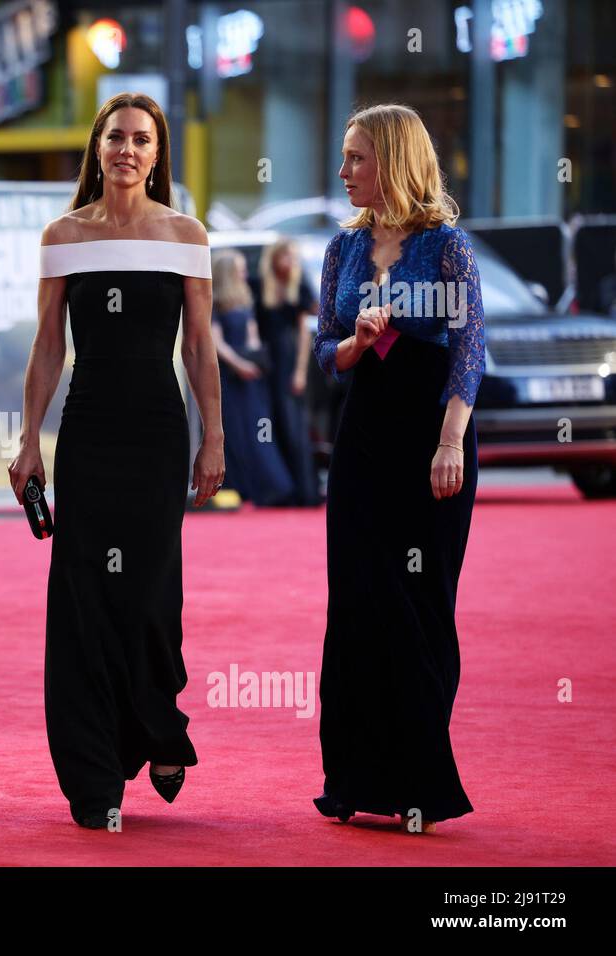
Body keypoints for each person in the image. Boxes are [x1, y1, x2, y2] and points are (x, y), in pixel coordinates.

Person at [8, 93, 223, 829]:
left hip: (159, 435)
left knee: (153, 593)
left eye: (141, 139)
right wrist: (28, 437)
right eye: (115, 137)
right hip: (89, 435)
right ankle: (93, 774)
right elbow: (46, 344)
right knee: (82, 597)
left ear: (158, 154)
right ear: (96, 149)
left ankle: (158, 727)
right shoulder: (64, 234)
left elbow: (199, 345)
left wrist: (215, 437)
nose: (127, 149)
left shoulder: (186, 234)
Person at [312, 103, 485, 831]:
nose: (344, 171)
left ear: (391, 160)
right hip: (363, 441)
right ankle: (352, 777)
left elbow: (470, 350)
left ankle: (419, 783)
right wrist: (354, 341)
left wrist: (449, 443)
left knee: (419, 607)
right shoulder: (343, 251)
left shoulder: (446, 247)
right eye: (345, 157)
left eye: (356, 158)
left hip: (430, 443)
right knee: (357, 603)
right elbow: (325, 353)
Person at [211, 249, 296, 506]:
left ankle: (269, 488)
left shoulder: (245, 300)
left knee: (259, 429)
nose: (245, 273)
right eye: (239, 269)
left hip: (250, 377)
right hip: (230, 376)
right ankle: (239, 487)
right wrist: (240, 365)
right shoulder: (216, 302)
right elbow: (217, 344)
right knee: (235, 430)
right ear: (227, 273)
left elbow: (253, 337)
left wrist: (255, 360)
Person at [253, 237, 321, 505]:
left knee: (294, 426)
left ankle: (305, 490)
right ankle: (279, 490)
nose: (291, 262)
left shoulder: (299, 286)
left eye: (294, 257)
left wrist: (301, 371)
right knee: (268, 425)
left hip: (291, 360)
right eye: (287, 256)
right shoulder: (260, 286)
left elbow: (304, 334)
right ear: (274, 258)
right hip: (267, 362)